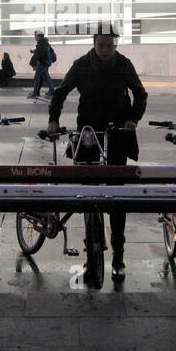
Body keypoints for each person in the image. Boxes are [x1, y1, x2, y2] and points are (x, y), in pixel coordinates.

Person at [46, 24, 147, 282]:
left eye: (110, 46)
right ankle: (92, 247)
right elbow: (60, 92)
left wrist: (133, 119)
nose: (105, 50)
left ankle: (119, 256)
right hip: (89, 135)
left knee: (117, 195)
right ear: (94, 44)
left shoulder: (123, 64)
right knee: (89, 193)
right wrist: (53, 120)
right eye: (101, 46)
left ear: (115, 46)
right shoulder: (81, 64)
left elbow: (140, 94)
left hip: (117, 135)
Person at [28, 31, 56, 99]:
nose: (34, 37)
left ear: (39, 36)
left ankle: (35, 94)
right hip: (45, 63)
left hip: (43, 63)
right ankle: (52, 91)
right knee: (46, 77)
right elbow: (40, 51)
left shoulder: (42, 44)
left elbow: (40, 54)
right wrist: (34, 51)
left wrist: (35, 64)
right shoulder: (44, 43)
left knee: (36, 78)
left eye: (35, 36)